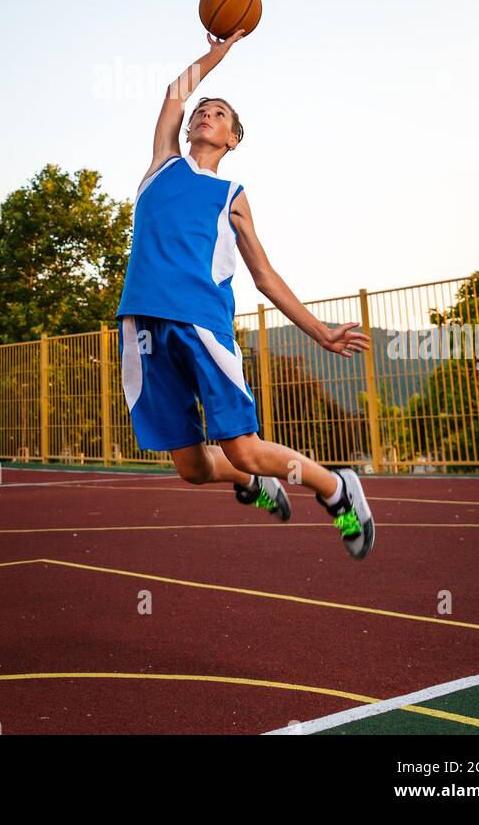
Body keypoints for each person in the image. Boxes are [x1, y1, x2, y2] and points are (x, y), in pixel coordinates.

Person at [115, 28, 375, 559]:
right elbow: (174, 90)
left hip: (200, 324)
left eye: (221, 114)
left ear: (233, 139)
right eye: (202, 111)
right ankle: (253, 486)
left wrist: (321, 331)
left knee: (245, 449)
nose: (206, 114)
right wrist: (219, 52)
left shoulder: (231, 194)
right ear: (189, 128)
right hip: (141, 324)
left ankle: (336, 487)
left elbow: (265, 276)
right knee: (190, 469)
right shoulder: (161, 166)